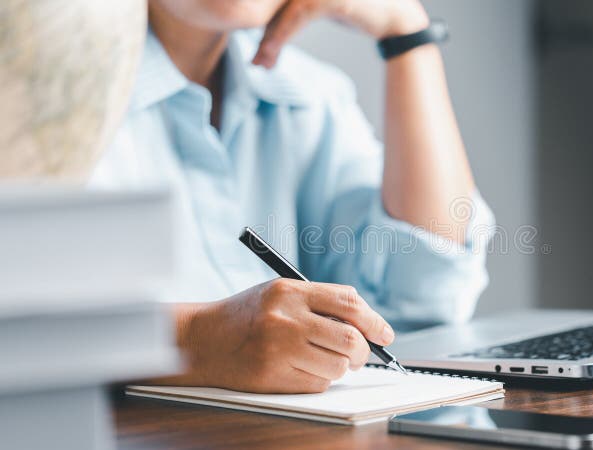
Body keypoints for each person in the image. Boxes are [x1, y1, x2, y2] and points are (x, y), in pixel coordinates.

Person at [90, 0, 493, 394]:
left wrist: (406, 33)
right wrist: (196, 339)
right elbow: (31, 333)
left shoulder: (310, 95)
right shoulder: (48, 106)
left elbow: (424, 295)